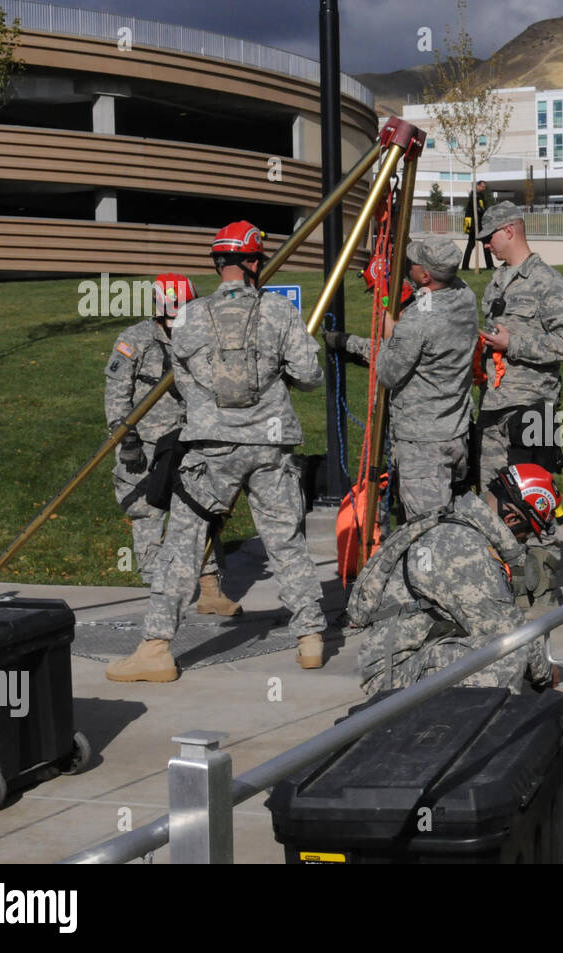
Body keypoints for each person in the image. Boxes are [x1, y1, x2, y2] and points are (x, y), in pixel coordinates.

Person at [106, 221, 328, 682]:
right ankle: (309, 637)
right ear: (255, 262)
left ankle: (156, 648)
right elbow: (310, 376)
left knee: (181, 546)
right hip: (271, 444)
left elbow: (185, 386)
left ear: (218, 263)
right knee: (285, 540)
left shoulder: (189, 317)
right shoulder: (280, 311)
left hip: (210, 450)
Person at [347, 464, 560, 698]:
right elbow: (510, 633)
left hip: (419, 658)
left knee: (515, 665)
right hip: (395, 679)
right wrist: (547, 673)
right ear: (511, 518)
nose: (522, 542)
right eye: (526, 533)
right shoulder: (462, 547)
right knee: (506, 655)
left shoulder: (460, 528)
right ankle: (478, 733)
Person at [104, 273, 240, 615]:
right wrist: (125, 437)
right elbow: (116, 394)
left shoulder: (200, 340)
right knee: (147, 513)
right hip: (146, 445)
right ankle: (159, 594)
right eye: (173, 312)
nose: (178, 319)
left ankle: (210, 590)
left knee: (201, 510)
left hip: (189, 440)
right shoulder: (134, 340)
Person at [475, 201, 563, 607]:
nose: (486, 246)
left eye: (489, 237)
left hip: (532, 408)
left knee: (534, 501)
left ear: (509, 231)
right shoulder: (498, 282)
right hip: (494, 405)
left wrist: (513, 344)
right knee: (495, 502)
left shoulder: (547, 282)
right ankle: (507, 587)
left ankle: (541, 591)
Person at [325, 237, 477, 518]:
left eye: (414, 263)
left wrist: (391, 335)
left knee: (427, 529)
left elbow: (388, 372)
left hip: (423, 445)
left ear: (426, 275)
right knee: (452, 516)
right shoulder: (465, 296)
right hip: (455, 431)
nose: (409, 265)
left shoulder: (417, 321)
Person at [462, 179, 495, 271]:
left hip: (474, 224)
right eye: (482, 186)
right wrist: (487, 215)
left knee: (471, 245)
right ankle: (490, 265)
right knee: (486, 242)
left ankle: (465, 266)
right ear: (477, 186)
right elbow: (479, 209)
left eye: (484, 187)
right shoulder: (476, 195)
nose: (484, 188)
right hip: (475, 225)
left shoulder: (476, 195)